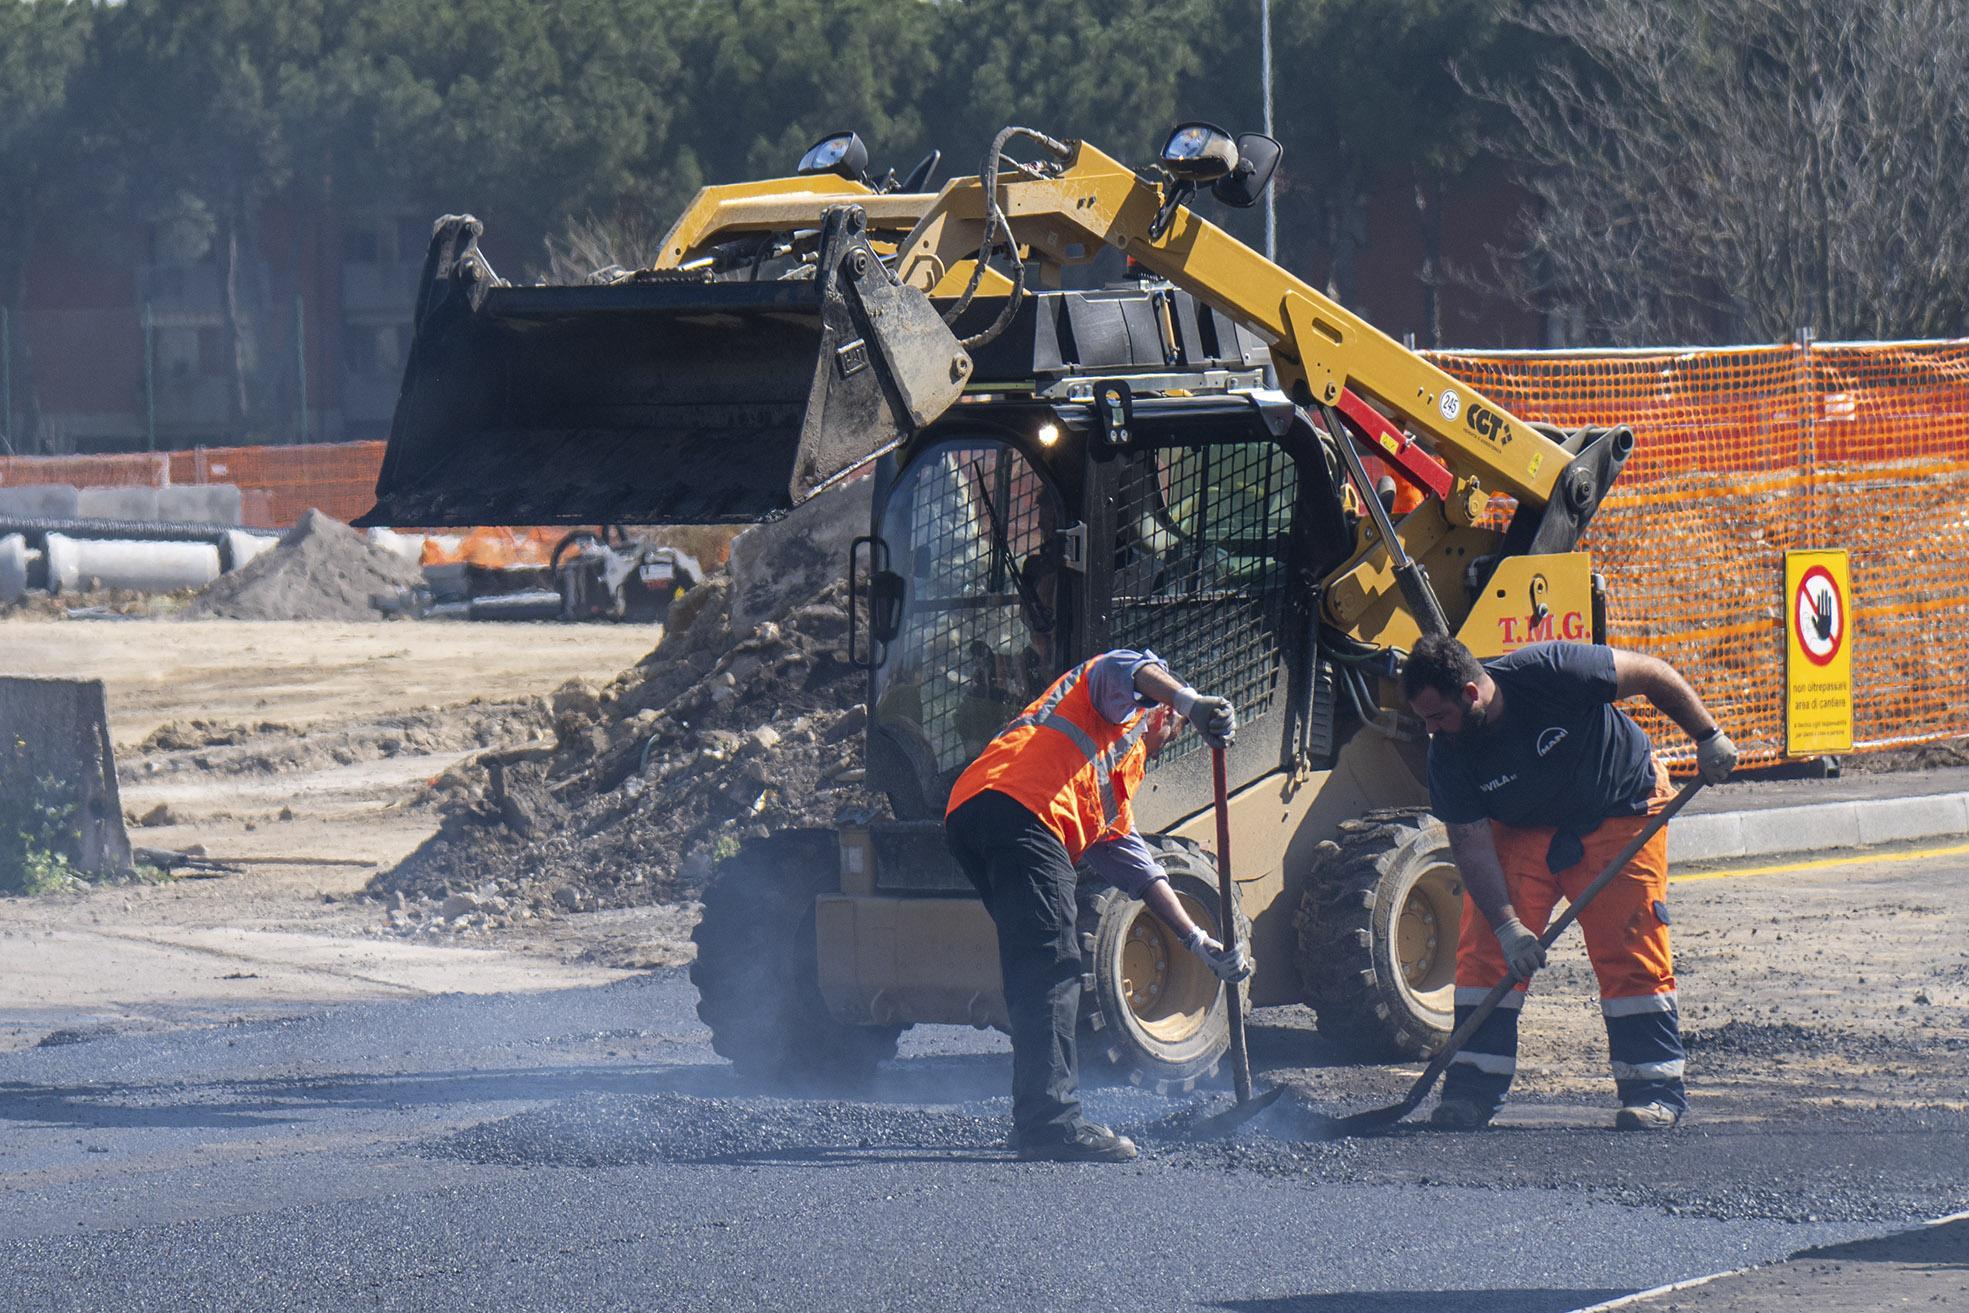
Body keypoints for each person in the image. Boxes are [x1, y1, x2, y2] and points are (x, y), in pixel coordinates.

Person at [1399, 632, 1738, 1132]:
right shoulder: (1448, 754)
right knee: (1486, 949)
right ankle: (1471, 1089)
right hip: (1522, 826)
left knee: (1629, 947)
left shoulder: (1553, 670)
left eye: (1438, 717)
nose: (1432, 731)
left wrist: (1707, 736)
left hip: (1618, 806)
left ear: (1471, 695)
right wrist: (1510, 928)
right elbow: (1472, 845)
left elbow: (1651, 673)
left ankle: (1653, 1091)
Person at [945, 648, 1251, 1162]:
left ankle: (1035, 1118)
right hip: (1023, 811)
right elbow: (1125, 666)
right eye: (1169, 711)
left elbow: (1143, 872)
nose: (1173, 723)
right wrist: (1192, 701)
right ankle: (1051, 1125)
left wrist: (1198, 943)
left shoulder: (1117, 780)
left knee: (1034, 971)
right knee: (1051, 969)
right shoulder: (1111, 703)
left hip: (973, 813)